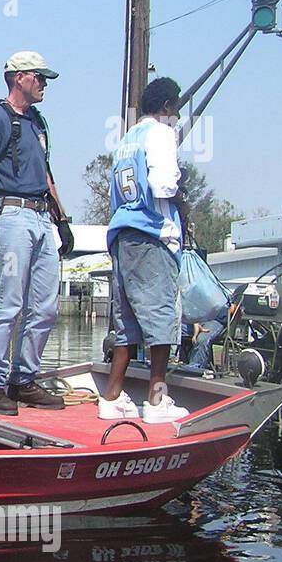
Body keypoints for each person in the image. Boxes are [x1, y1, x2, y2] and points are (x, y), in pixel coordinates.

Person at [0, 51, 72, 415]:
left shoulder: (37, 122)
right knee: (9, 302)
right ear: (19, 78)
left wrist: (62, 220)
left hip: (42, 218)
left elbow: (46, 174)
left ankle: (24, 379)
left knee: (45, 306)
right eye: (39, 77)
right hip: (11, 215)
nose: (44, 84)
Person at [98, 77, 190, 423]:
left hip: (122, 234)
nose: (177, 117)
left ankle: (112, 396)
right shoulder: (162, 134)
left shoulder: (126, 140)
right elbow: (164, 183)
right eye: (176, 110)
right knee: (161, 319)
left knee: (127, 322)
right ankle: (156, 401)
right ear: (166, 107)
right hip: (152, 234)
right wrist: (182, 203)